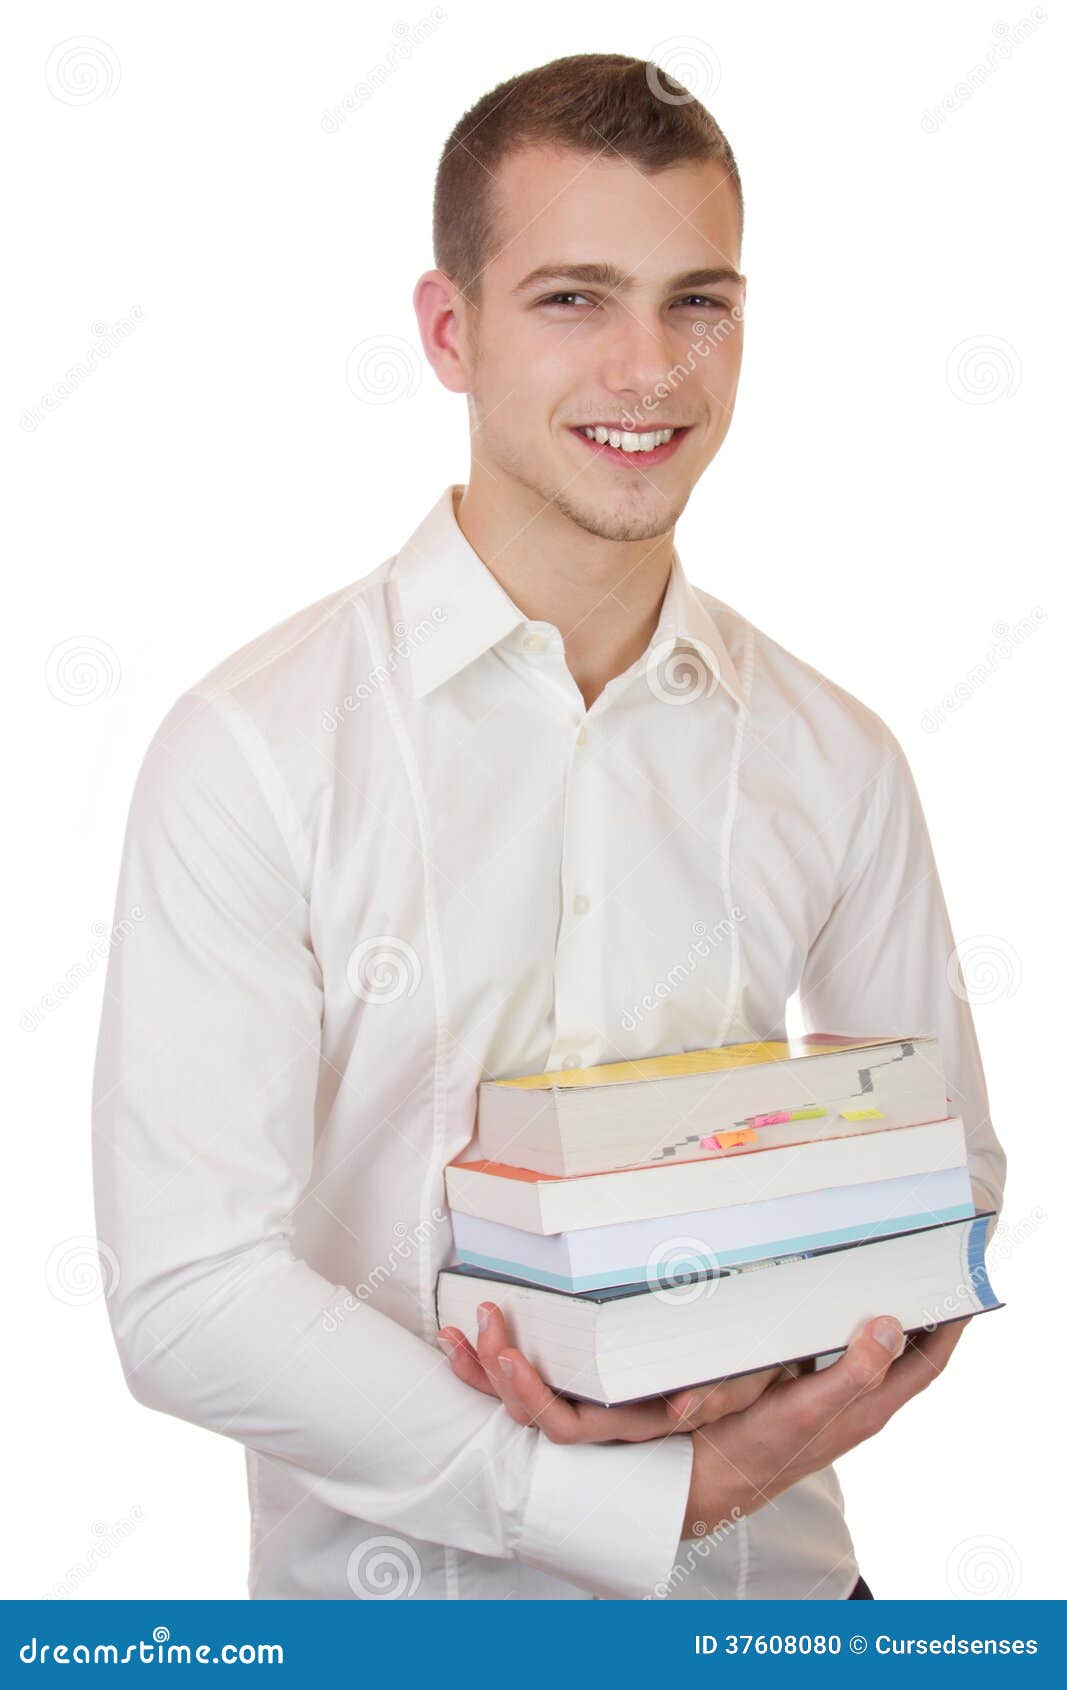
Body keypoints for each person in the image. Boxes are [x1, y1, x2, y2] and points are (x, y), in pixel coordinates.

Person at [92, 53, 1006, 1602]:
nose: (649, 368)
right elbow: (185, 1286)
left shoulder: (836, 756)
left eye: (696, 300)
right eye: (575, 299)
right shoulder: (251, 750)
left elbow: (949, 1175)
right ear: (452, 333)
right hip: (403, 1623)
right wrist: (612, 1494)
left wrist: (756, 1365)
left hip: (780, 1604)